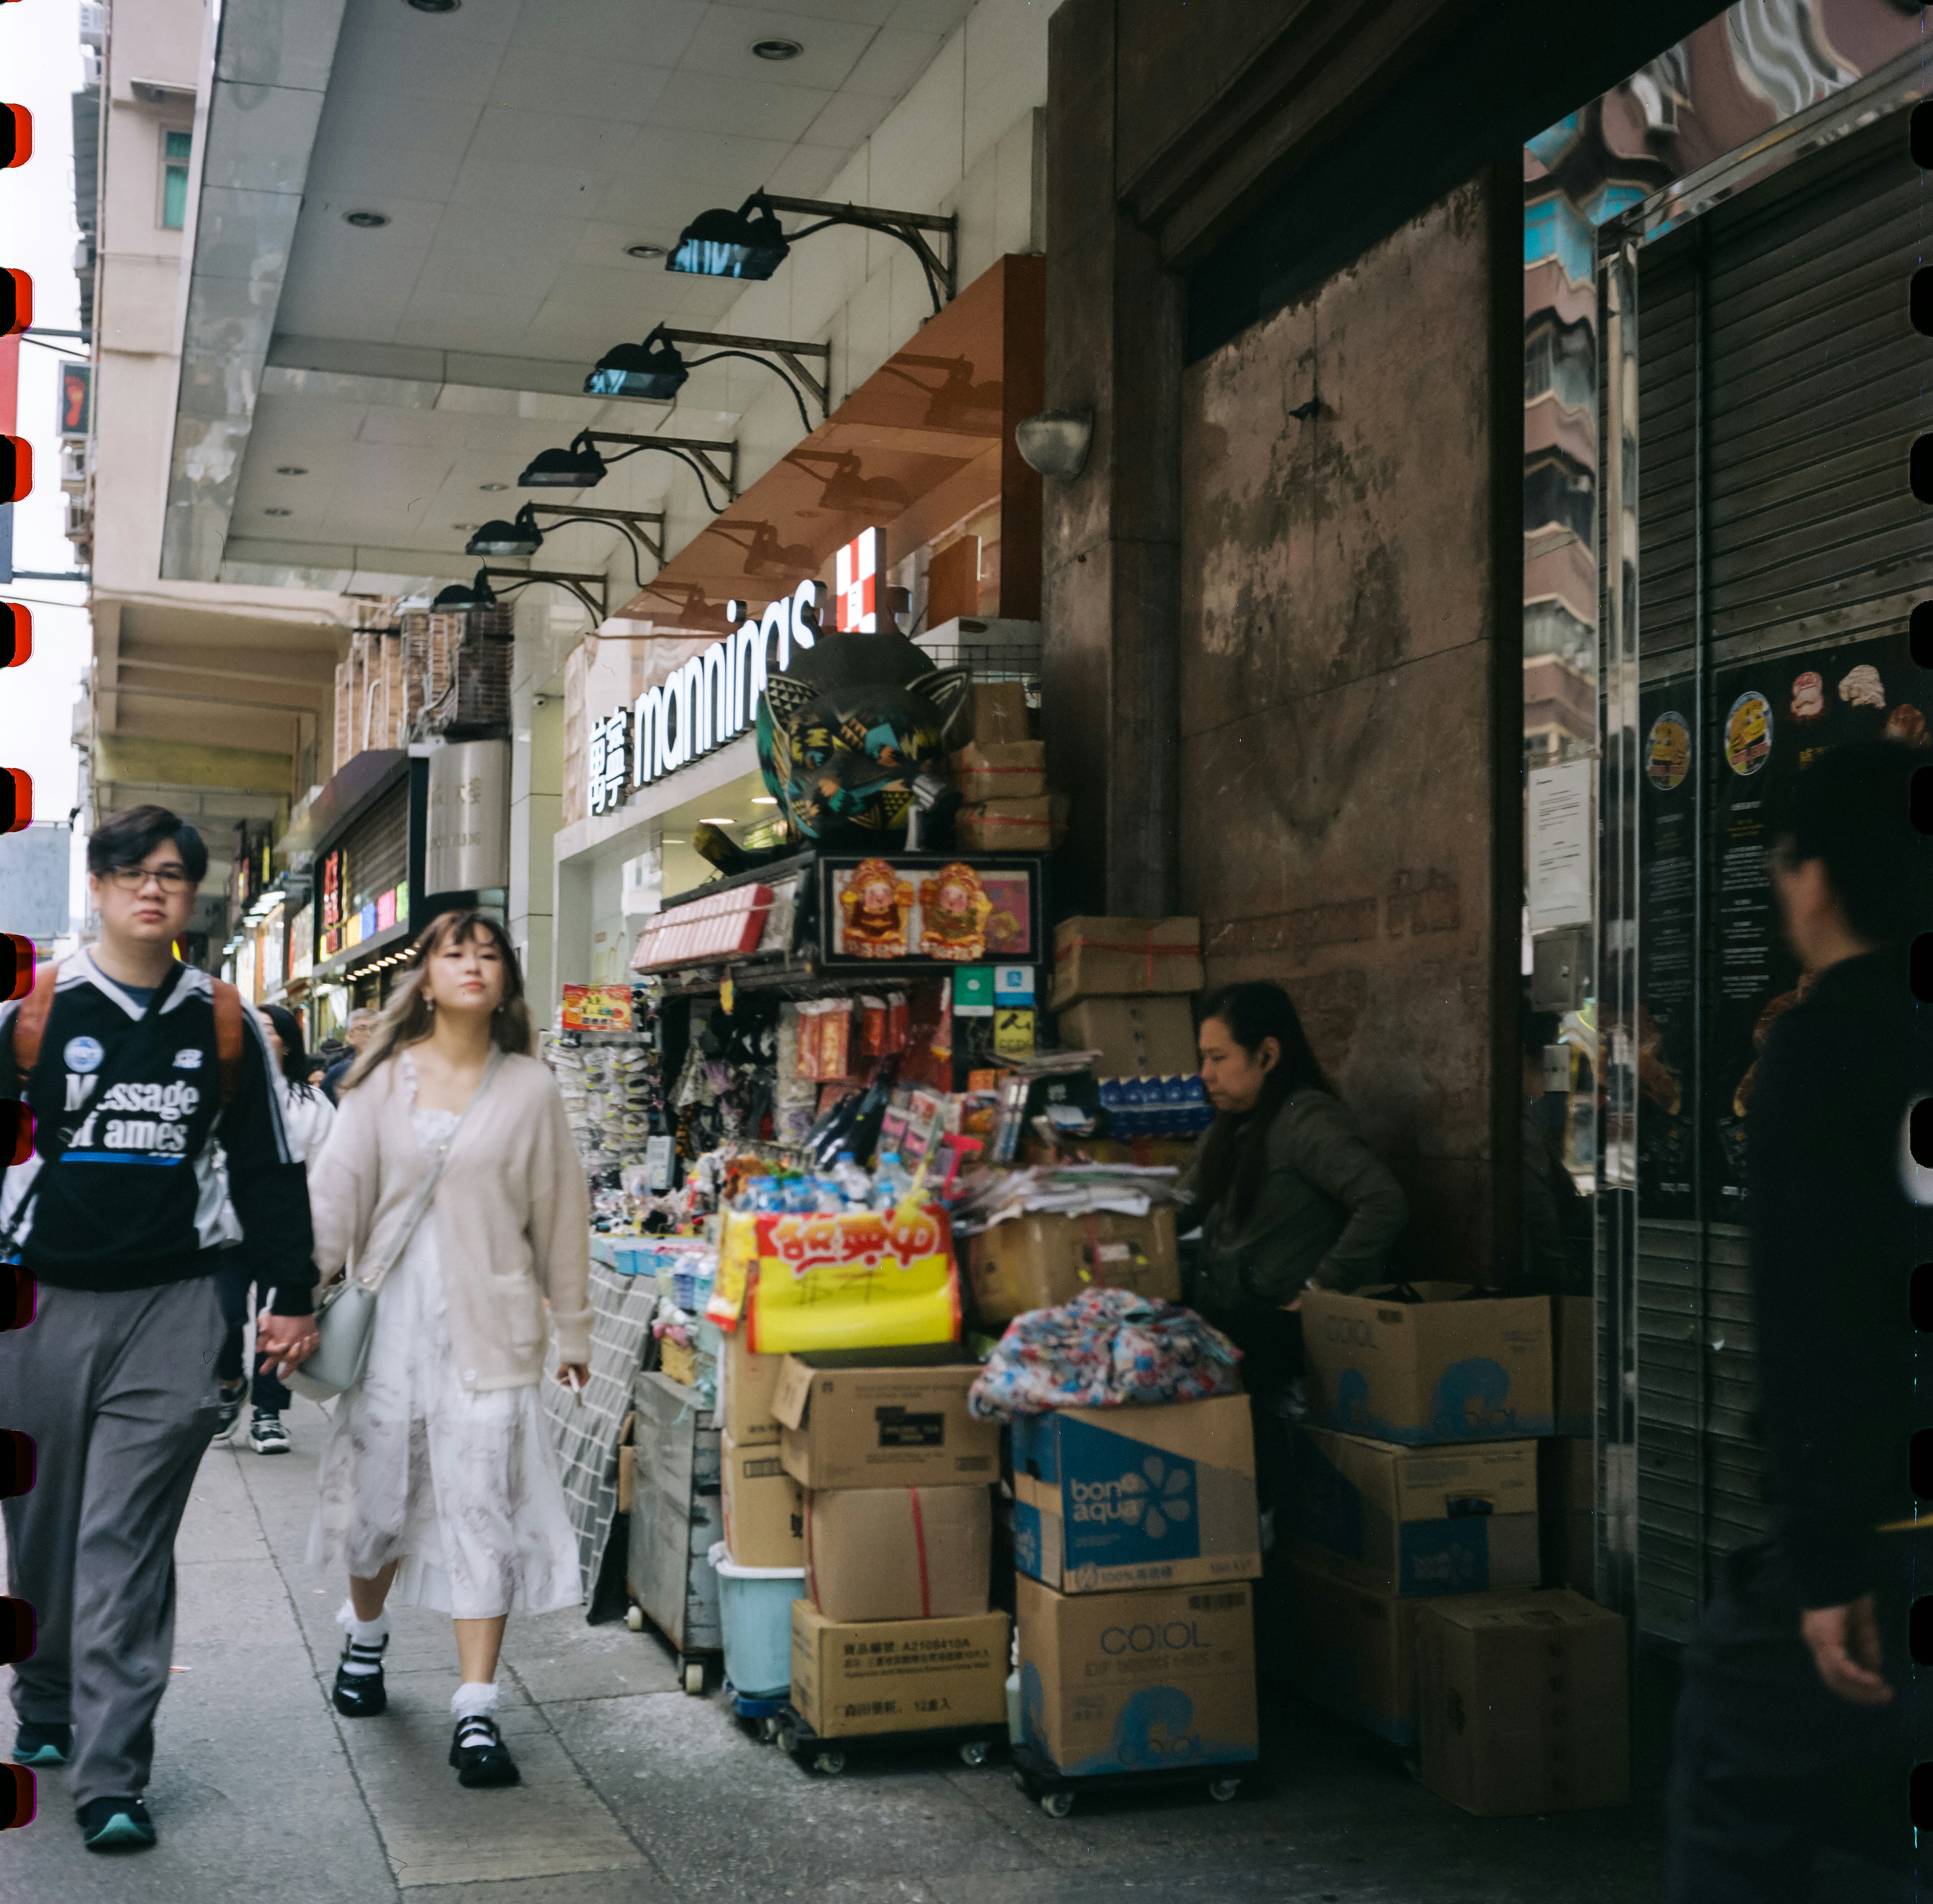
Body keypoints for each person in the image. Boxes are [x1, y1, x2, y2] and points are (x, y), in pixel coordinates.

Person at [0, 805, 318, 1852]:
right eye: (132, 871)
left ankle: (112, 1774)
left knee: (124, 1540)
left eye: (173, 875)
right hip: (39, 1303)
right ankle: (45, 1700)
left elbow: (271, 1167)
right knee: (42, 1538)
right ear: (96, 886)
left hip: (177, 1307)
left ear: (192, 897)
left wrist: (292, 1291)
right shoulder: (33, 1012)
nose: (153, 889)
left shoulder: (222, 1021)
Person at [1663, 742, 1931, 1902]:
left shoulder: (1818, 1051)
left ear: (1813, 878)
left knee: (1735, 1798)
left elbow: (1817, 1307)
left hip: (1872, 1530)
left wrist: (1823, 1559)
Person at [298, 910, 591, 1790]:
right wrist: (290, 1303)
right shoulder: (382, 1079)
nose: (472, 964)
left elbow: (562, 1217)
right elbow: (334, 1200)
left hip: (492, 1328)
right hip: (391, 1325)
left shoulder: (532, 1088)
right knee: (378, 1497)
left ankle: (476, 1705)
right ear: (424, 976)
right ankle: (367, 1635)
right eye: (454, 952)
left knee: (481, 1506)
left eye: (489, 952)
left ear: (506, 979)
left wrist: (573, 1327)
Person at [1180, 981, 1408, 1518]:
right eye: (1202, 1059)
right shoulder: (1232, 1125)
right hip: (1228, 1311)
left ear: (1267, 1054)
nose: (1206, 1074)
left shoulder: (1306, 1118)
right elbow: (1184, 1203)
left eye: (1218, 1058)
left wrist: (1321, 1286)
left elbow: (1382, 1200)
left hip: (1279, 1324)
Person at [213, 1003, 336, 1452]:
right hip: (226, 1229)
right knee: (223, 1318)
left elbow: (329, 1173)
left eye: (268, 1029)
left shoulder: (312, 1103)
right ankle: (228, 1383)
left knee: (279, 1319)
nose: (257, 1035)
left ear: (287, 1041)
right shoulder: (222, 1093)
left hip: (285, 1231)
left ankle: (268, 1413)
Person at [1521, 1009, 1590, 1296]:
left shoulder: (1526, 1115)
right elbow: (1539, 1209)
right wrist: (1564, 1274)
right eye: (1547, 1061)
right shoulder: (1520, 1127)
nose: (1552, 1072)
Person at [320, 1010, 375, 1104]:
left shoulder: (393, 1067)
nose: (369, 1034)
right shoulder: (339, 1072)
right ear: (350, 1037)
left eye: (375, 1028)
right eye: (362, 1028)